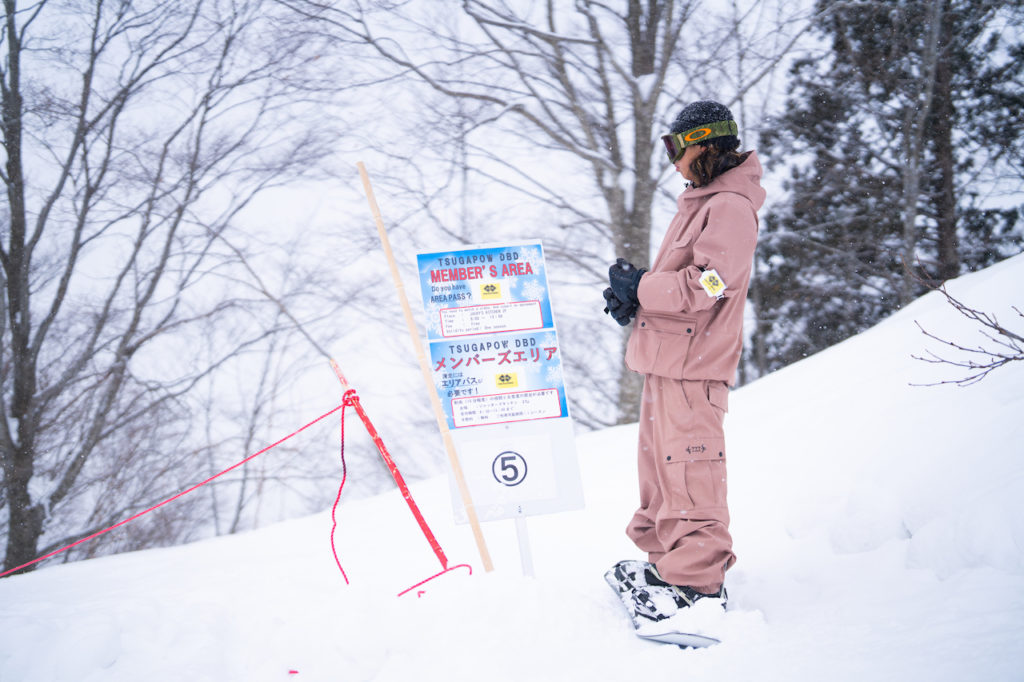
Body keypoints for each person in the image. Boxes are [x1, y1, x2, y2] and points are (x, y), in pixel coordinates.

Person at [602, 100, 765, 623]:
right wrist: (635, 300)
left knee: (692, 472)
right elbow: (683, 283)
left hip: (695, 367)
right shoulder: (701, 202)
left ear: (705, 144)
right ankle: (668, 565)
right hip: (669, 362)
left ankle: (696, 585)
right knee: (662, 473)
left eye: (676, 147)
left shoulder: (730, 206)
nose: (673, 161)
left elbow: (709, 285)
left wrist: (643, 288)